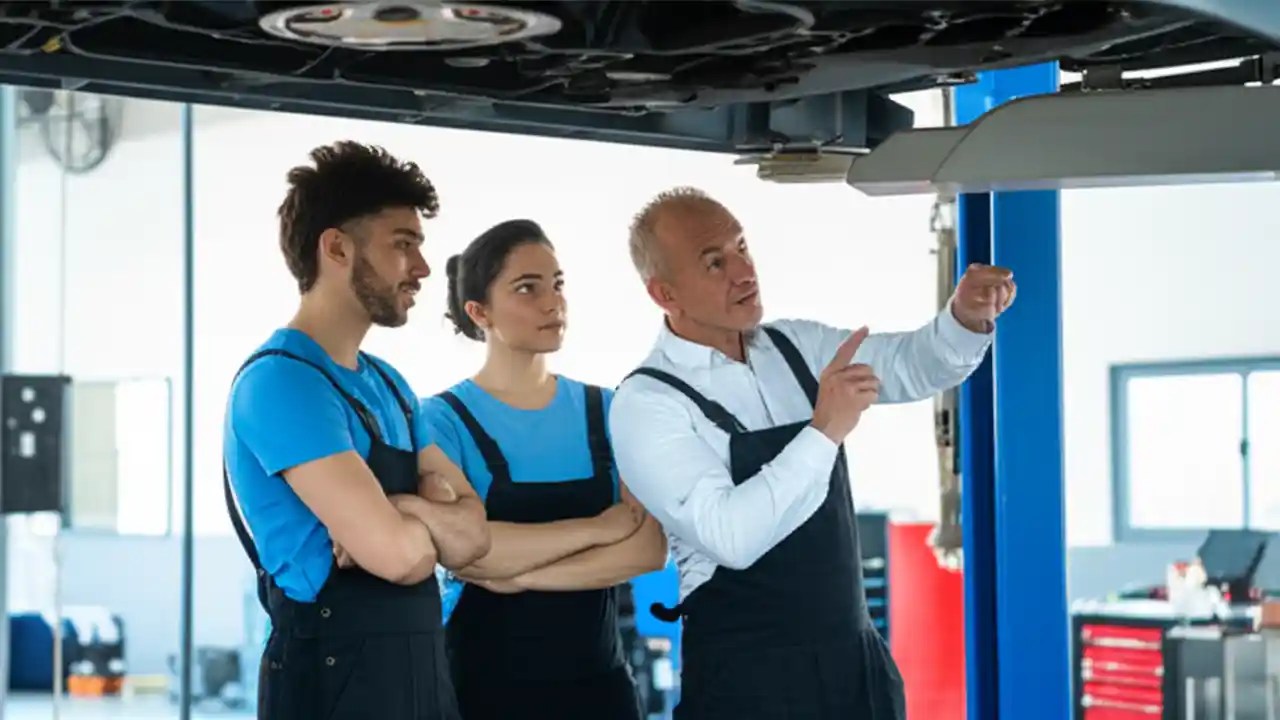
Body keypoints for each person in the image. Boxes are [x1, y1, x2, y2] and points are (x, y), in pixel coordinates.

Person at [609, 187, 1017, 719]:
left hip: (855, 668)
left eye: (742, 246)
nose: (743, 271)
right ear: (665, 294)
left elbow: (913, 364)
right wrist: (824, 430)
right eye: (715, 262)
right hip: (749, 684)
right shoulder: (648, 402)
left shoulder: (797, 348)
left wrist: (963, 318)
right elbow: (730, 536)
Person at [222, 141, 490, 720]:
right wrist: (416, 521)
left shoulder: (389, 385)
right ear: (337, 247)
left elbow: (473, 541)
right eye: (403, 246)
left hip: (421, 682)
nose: (421, 269)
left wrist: (397, 508)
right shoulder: (282, 386)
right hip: (332, 685)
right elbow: (401, 559)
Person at [420, 219, 669, 720]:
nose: (552, 302)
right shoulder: (441, 420)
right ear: (479, 312)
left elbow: (648, 548)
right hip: (484, 694)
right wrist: (600, 529)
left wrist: (522, 575)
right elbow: (470, 556)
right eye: (527, 288)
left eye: (557, 284)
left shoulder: (610, 409)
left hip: (602, 692)